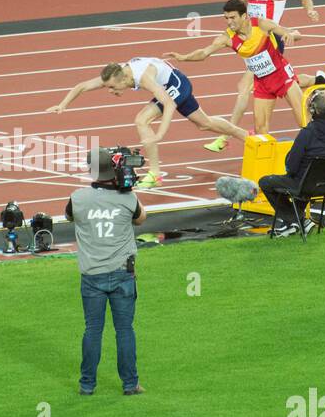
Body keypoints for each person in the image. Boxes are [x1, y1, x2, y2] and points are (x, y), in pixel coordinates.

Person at [47, 57, 249, 190]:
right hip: (170, 82)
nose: (109, 90)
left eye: (112, 87)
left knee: (142, 119)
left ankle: (155, 174)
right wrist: (62, 104)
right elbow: (83, 86)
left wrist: (160, 133)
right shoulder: (117, 72)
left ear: (123, 78)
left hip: (175, 84)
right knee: (205, 124)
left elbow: (168, 103)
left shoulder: (144, 78)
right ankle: (247, 137)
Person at [207, 0, 325, 149]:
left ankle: (225, 137)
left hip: (270, 40)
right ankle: (318, 79)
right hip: (251, 38)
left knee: (244, 86)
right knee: (286, 81)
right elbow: (248, 7)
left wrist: (310, 10)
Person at [166, 0, 307, 144]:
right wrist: (183, 58)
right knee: (260, 130)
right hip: (261, 82)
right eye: (226, 18)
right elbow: (204, 53)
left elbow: (293, 33)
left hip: (282, 75)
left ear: (244, 16)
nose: (229, 22)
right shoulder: (227, 38)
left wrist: (290, 35)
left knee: (303, 120)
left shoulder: (261, 24)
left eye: (233, 17)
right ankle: (266, 163)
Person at [65, 146, 145, 396]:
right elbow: (141, 218)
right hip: (123, 273)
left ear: (91, 170)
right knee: (124, 330)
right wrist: (127, 188)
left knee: (92, 331)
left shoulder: (77, 198)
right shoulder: (128, 198)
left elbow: (70, 217)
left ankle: (87, 385)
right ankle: (130, 384)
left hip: (91, 276)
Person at [258, 90, 325, 237]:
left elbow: (291, 166)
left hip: (307, 186)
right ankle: (293, 223)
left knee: (266, 182)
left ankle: (298, 220)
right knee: (306, 179)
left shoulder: (308, 133)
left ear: (313, 109)